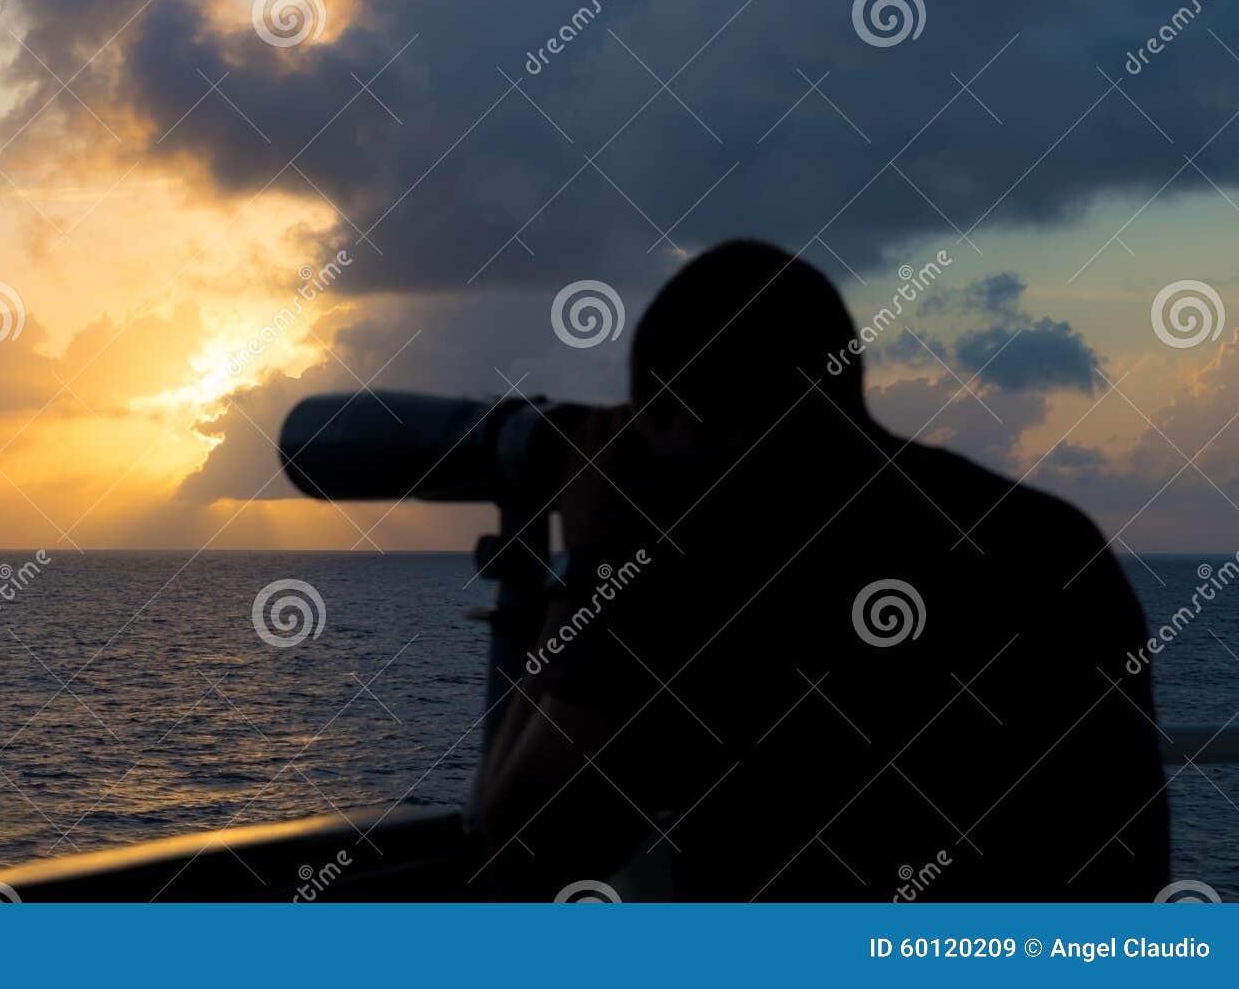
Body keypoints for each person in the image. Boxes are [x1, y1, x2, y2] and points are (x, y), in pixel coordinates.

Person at [471, 240, 1169, 901]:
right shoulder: (1051, 539)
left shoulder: (717, 579)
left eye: (647, 431)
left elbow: (531, 851)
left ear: (688, 422)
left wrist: (601, 560)